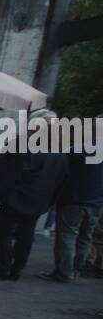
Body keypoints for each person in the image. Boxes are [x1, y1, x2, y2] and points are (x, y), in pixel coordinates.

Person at [0, 110, 68, 281]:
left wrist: (5, 190)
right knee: (25, 236)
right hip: (37, 201)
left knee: (6, 233)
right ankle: (15, 270)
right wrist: (49, 200)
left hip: (16, 197)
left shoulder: (23, 145)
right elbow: (61, 181)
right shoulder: (59, 154)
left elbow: (3, 169)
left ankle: (5, 269)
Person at [40, 117, 103, 283]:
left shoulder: (75, 150)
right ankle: (76, 269)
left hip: (73, 199)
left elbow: (59, 171)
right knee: (85, 237)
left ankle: (64, 271)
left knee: (67, 236)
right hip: (97, 203)